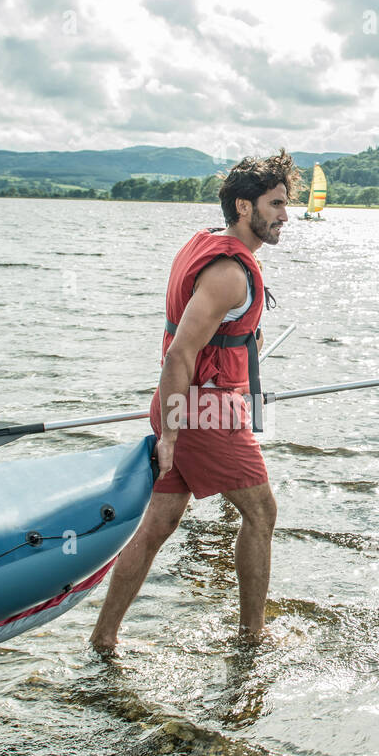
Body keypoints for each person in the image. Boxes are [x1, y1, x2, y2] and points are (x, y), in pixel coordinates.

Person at [90, 150, 299, 653]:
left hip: (185, 407)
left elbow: (208, 334)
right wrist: (171, 433)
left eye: (286, 204)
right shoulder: (228, 273)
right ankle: (253, 637)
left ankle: (103, 638)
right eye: (275, 204)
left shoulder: (208, 244)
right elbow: (181, 354)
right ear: (244, 207)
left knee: (160, 523)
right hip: (201, 413)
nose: (285, 216)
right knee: (262, 514)